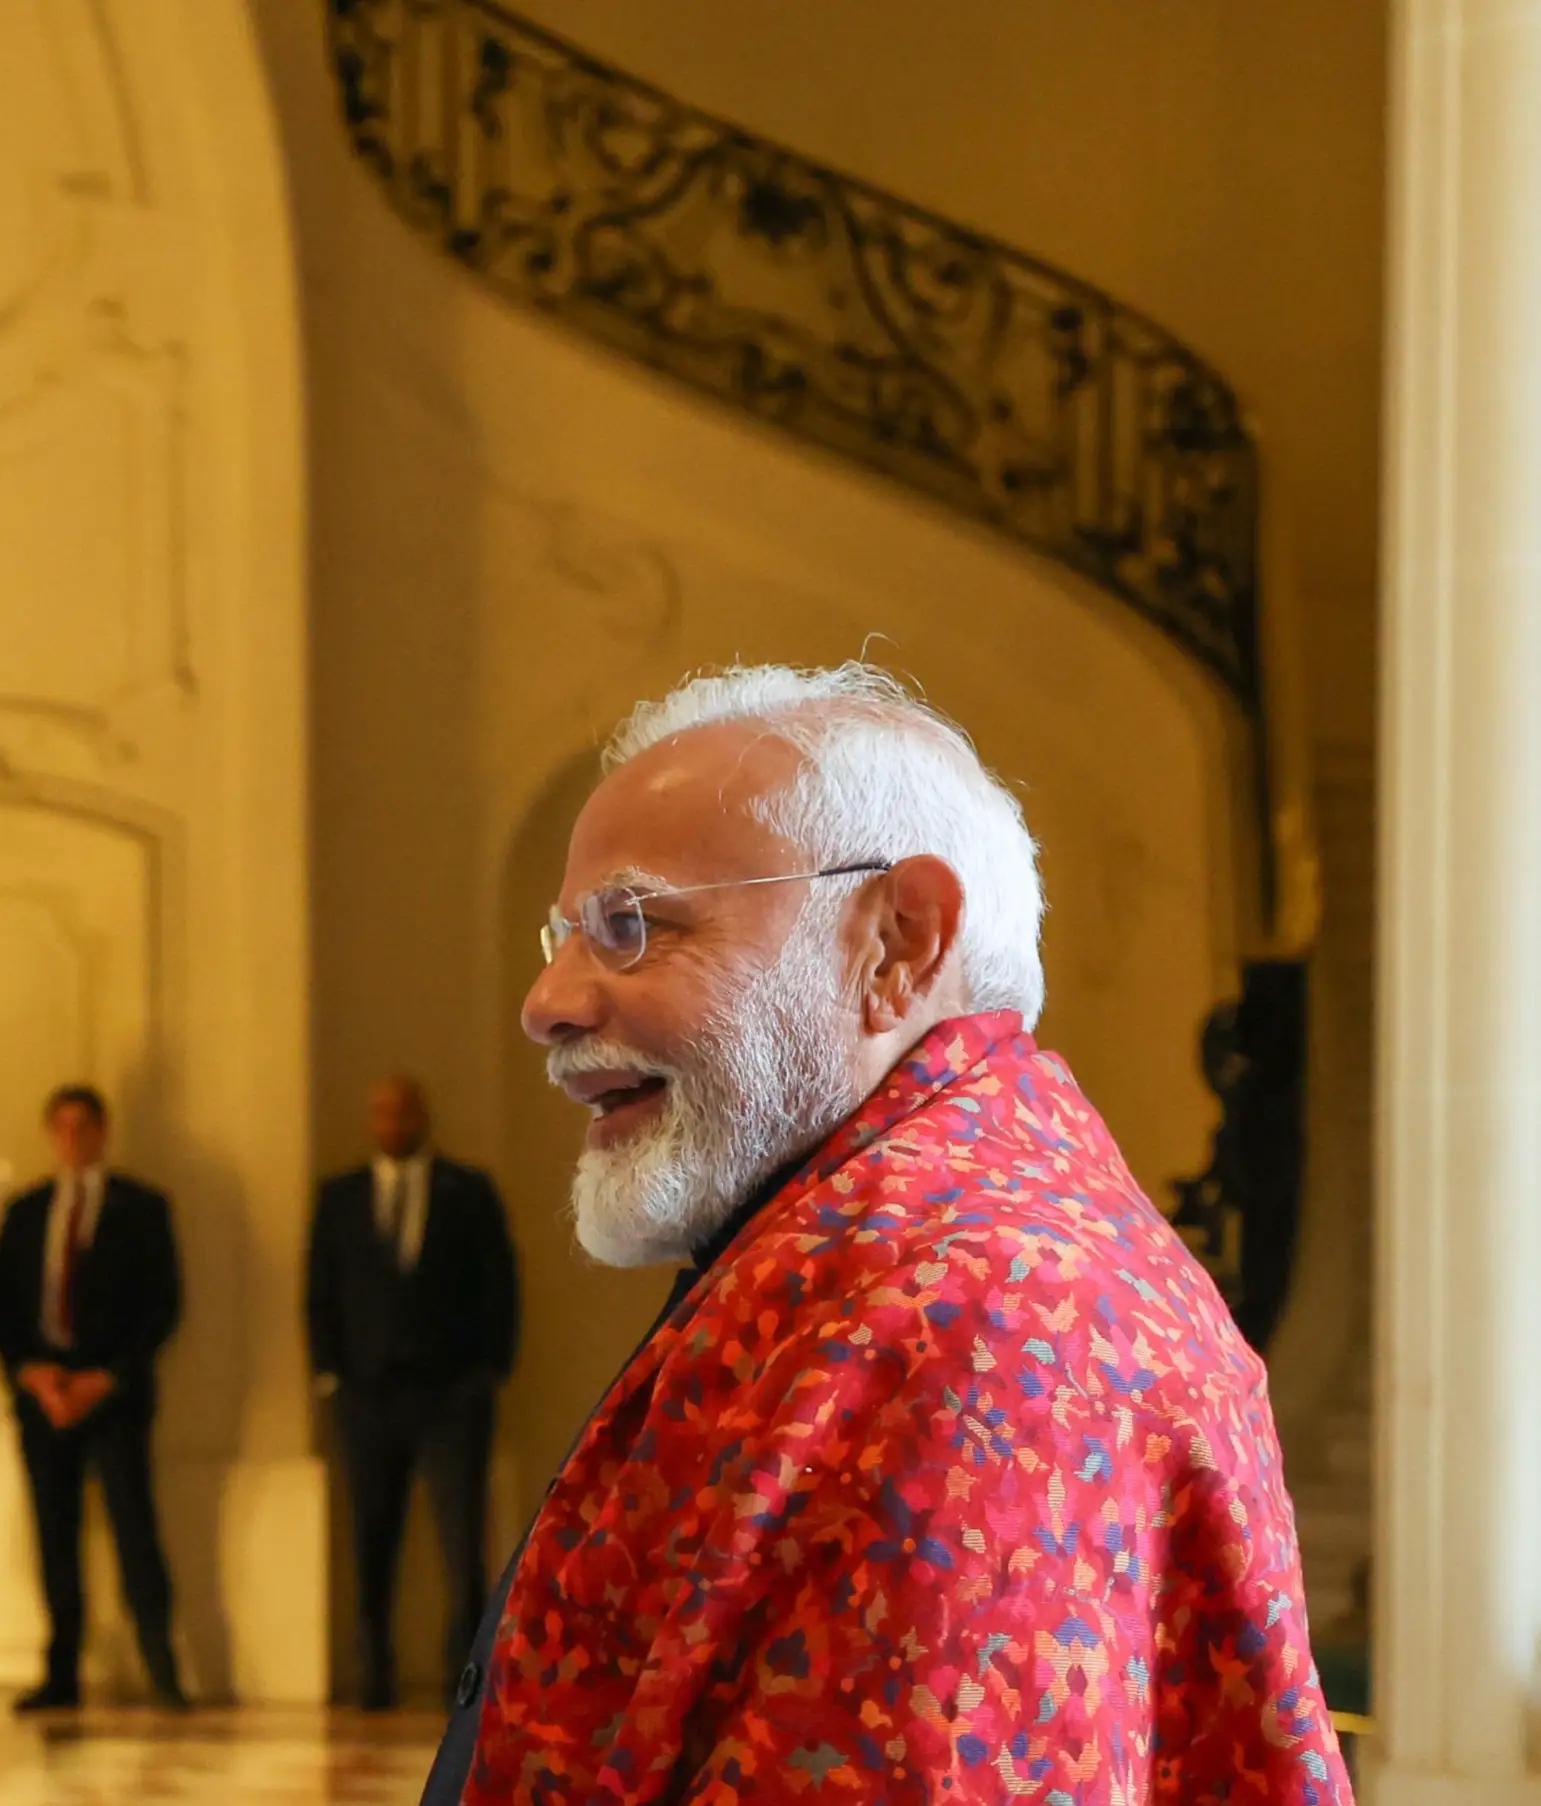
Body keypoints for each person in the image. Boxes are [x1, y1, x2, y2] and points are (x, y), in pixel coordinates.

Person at [421, 665, 1349, 1803]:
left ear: (897, 942)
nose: (544, 1001)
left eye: (628, 925)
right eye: (560, 934)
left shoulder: (982, 1322)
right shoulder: (927, 1250)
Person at [305, 1075, 517, 1711]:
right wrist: (331, 1373)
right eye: (382, 1110)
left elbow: (499, 1284)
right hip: (368, 1396)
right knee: (372, 1536)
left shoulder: (468, 1192)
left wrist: (487, 1373)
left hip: (451, 1394)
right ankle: (374, 1673)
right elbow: (320, 1290)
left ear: (422, 1115)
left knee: (461, 1543)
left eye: (403, 1109)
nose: (392, 1120)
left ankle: (464, 1676)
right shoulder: (340, 1197)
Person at [0, 1085, 188, 1713]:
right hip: (44, 1399)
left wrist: (107, 1377)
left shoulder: (144, 1208)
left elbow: (164, 1304)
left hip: (115, 1397)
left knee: (134, 1531)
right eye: (62, 1128)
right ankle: (61, 1672)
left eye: (83, 1127)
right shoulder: (25, 1210)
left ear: (102, 1132)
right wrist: (34, 1374)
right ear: (51, 1134)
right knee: (54, 1534)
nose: (73, 1139)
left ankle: (163, 1670)